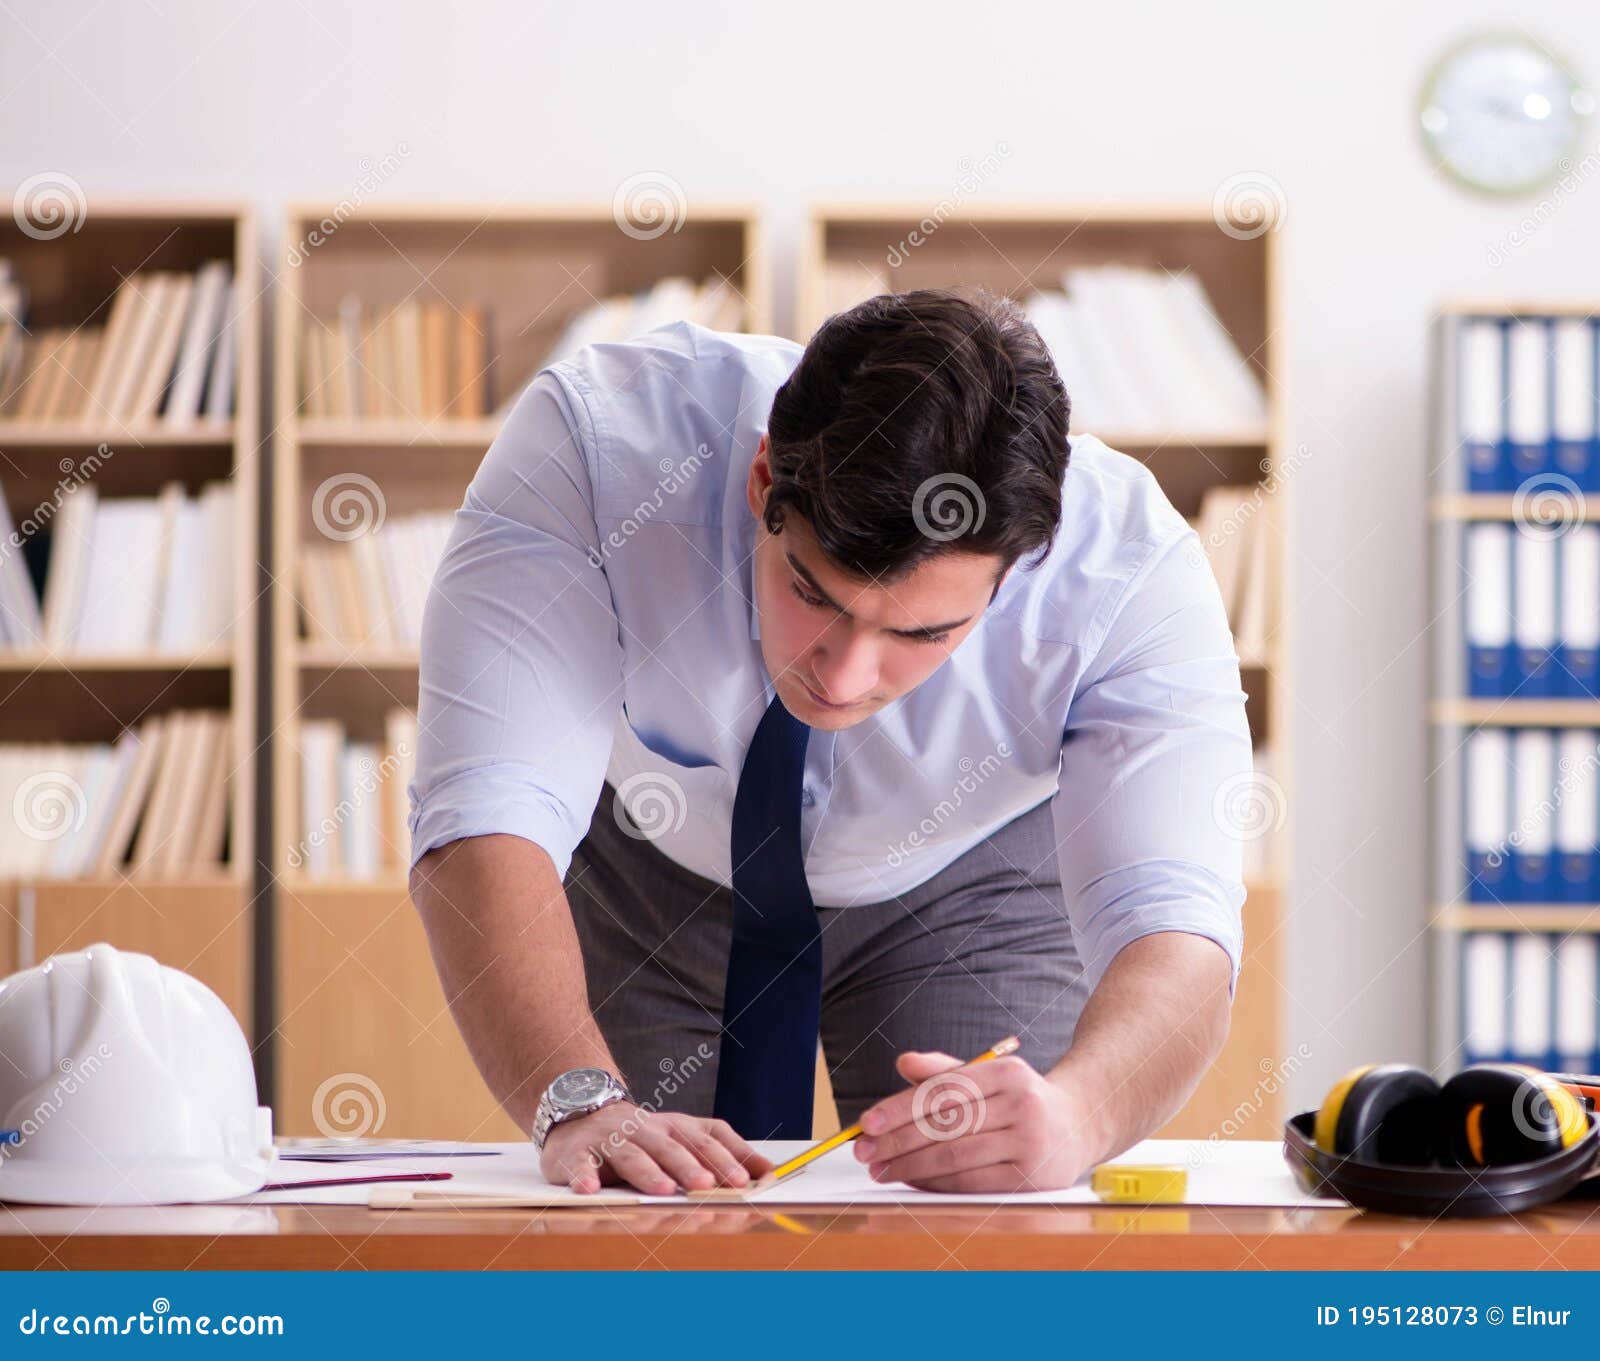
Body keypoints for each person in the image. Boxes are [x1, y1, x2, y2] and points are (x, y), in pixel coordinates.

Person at [409, 288, 1251, 1196]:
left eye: (921, 634)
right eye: (814, 592)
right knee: (644, 1227)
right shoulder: (598, 450)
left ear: (1018, 569)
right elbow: (486, 810)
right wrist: (579, 1101)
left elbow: (1176, 921)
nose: (843, 678)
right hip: (648, 866)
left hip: (968, 876)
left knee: (985, 1221)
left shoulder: (1130, 573)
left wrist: (1081, 1115)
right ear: (765, 480)